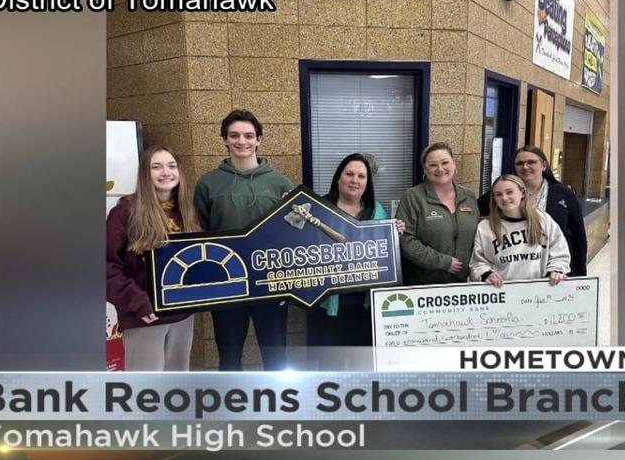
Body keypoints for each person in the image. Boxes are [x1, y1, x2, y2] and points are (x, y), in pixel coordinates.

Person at [193, 109, 293, 371]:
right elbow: (199, 231)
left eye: (249, 136)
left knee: (276, 358)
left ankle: (279, 407)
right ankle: (233, 406)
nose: (242, 141)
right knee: (228, 357)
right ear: (224, 139)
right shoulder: (208, 184)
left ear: (259, 139)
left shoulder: (281, 184)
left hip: (270, 283)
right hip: (226, 284)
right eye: (234, 135)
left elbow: (294, 233)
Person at [106, 145, 200, 371]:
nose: (166, 172)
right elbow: (106, 268)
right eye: (156, 167)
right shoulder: (125, 213)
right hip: (145, 317)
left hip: (182, 316)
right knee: (146, 392)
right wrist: (138, 303)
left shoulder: (188, 211)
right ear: (145, 174)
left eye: (171, 166)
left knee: (177, 385)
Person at [307, 153, 406, 348]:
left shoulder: (376, 210)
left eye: (361, 176)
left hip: (364, 305)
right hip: (326, 304)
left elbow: (384, 255)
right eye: (349, 174)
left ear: (367, 182)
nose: (355, 180)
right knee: (329, 364)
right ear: (338, 178)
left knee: (361, 363)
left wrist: (394, 234)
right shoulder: (318, 208)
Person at [477, 145, 588, 276]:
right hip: (512, 273)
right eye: (519, 163)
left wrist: (580, 275)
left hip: (556, 274)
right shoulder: (500, 195)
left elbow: (578, 235)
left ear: (544, 166)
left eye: (531, 162)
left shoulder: (563, 194)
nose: (525, 167)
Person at [395, 142, 480, 285]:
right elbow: (405, 239)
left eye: (445, 162)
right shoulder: (412, 197)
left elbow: (479, 238)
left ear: (454, 164)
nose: (440, 169)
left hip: (465, 284)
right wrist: (443, 262)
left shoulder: (469, 197)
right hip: (425, 285)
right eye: (432, 165)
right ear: (425, 170)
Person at [470, 174, 571, 288]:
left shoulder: (542, 219)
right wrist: (486, 274)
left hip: (540, 291)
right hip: (502, 292)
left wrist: (557, 269)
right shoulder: (485, 227)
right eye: (498, 194)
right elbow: (477, 263)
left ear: (522, 193)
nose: (504, 198)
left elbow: (560, 252)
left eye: (509, 192)